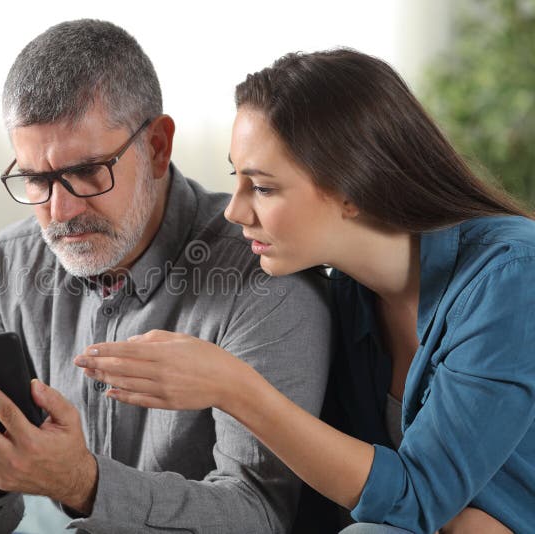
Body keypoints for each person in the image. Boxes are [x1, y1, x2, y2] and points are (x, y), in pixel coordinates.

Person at [75, 48, 535, 534]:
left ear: (354, 188)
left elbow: (418, 496)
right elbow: (327, 497)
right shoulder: (347, 297)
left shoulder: (510, 277)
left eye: (264, 187)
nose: (234, 211)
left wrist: (234, 387)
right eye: (238, 178)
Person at [0, 20, 332, 534]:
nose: (61, 210)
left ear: (158, 147)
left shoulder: (262, 279)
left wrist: (83, 484)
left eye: (89, 172)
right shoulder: (10, 265)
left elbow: (259, 514)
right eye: (35, 179)